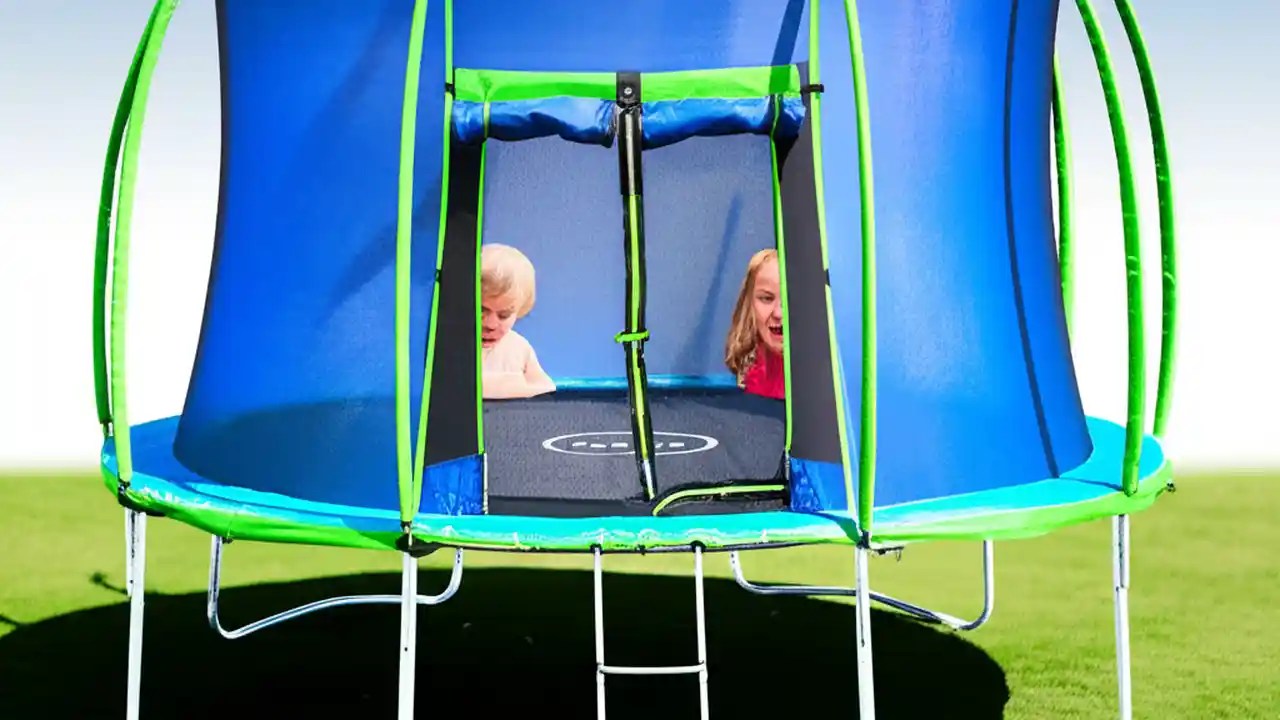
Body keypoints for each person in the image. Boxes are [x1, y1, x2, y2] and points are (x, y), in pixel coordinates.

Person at [479, 243, 556, 400]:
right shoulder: (451, 344)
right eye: (481, 311)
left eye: (504, 315)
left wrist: (509, 388)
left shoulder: (519, 348)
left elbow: (546, 389)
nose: (490, 325)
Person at [724, 248, 785, 399]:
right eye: (766, 298)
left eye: (789, 299)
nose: (778, 313)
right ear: (749, 305)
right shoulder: (750, 373)